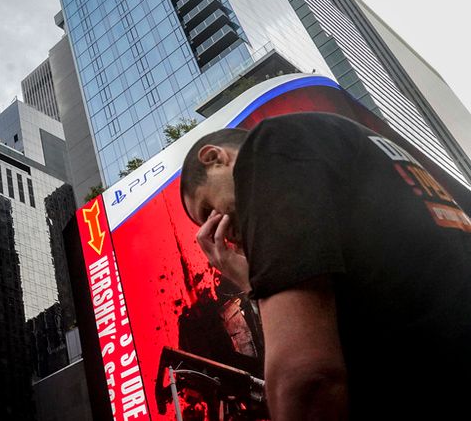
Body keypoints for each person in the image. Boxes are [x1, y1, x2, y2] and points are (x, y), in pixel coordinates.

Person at [179, 112, 471, 420]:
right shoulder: (356, 149)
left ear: (215, 158)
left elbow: (306, 381)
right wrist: (255, 281)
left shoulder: (267, 148)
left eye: (208, 209)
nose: (221, 230)